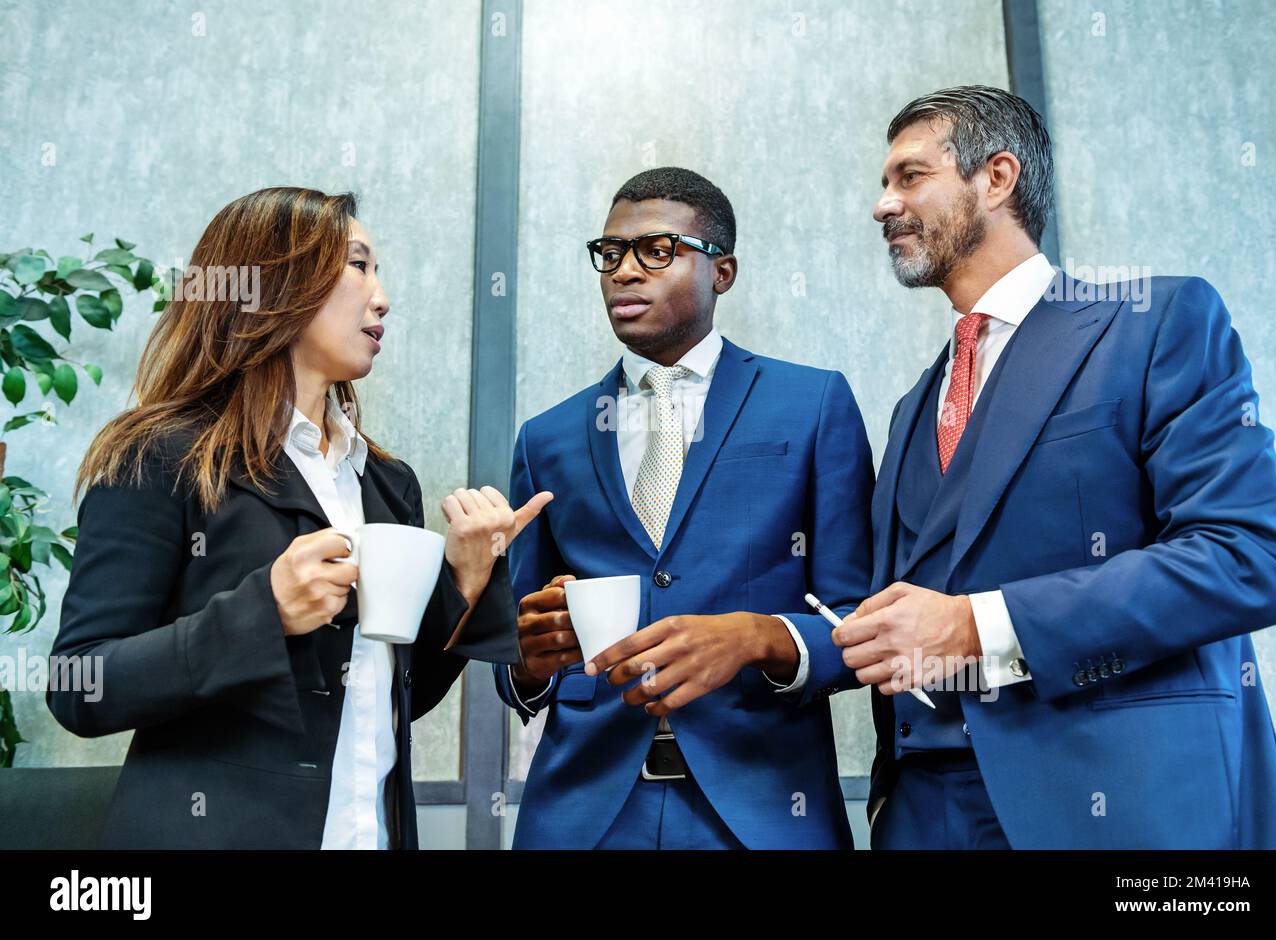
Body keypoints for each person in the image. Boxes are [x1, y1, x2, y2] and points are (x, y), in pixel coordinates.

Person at [836, 85, 1276, 848]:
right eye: (884, 184)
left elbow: (1249, 560)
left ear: (997, 177)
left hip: (1120, 808)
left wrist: (977, 625)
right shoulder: (914, 407)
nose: (883, 205)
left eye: (910, 176)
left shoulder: (1157, 322)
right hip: (925, 815)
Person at [47, 186, 547, 848]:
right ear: (273, 283)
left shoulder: (388, 484)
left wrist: (465, 579)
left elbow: (385, 704)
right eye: (360, 265)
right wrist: (264, 611)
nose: (383, 297)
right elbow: (78, 684)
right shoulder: (160, 455)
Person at [497, 167, 873, 849]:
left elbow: (858, 618)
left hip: (763, 811)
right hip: (584, 816)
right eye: (610, 253)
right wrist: (524, 661)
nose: (625, 272)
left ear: (721, 271)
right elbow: (521, 647)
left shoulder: (813, 405)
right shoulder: (545, 437)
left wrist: (760, 636)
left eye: (657, 250)